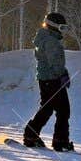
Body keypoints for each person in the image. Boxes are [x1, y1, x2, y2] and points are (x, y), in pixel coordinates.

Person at [23, 12, 74, 150]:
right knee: (63, 110)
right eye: (62, 27)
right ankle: (60, 142)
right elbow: (55, 62)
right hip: (53, 79)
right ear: (53, 26)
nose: (63, 31)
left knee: (47, 108)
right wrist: (63, 75)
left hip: (45, 79)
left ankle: (31, 136)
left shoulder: (43, 38)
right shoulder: (51, 41)